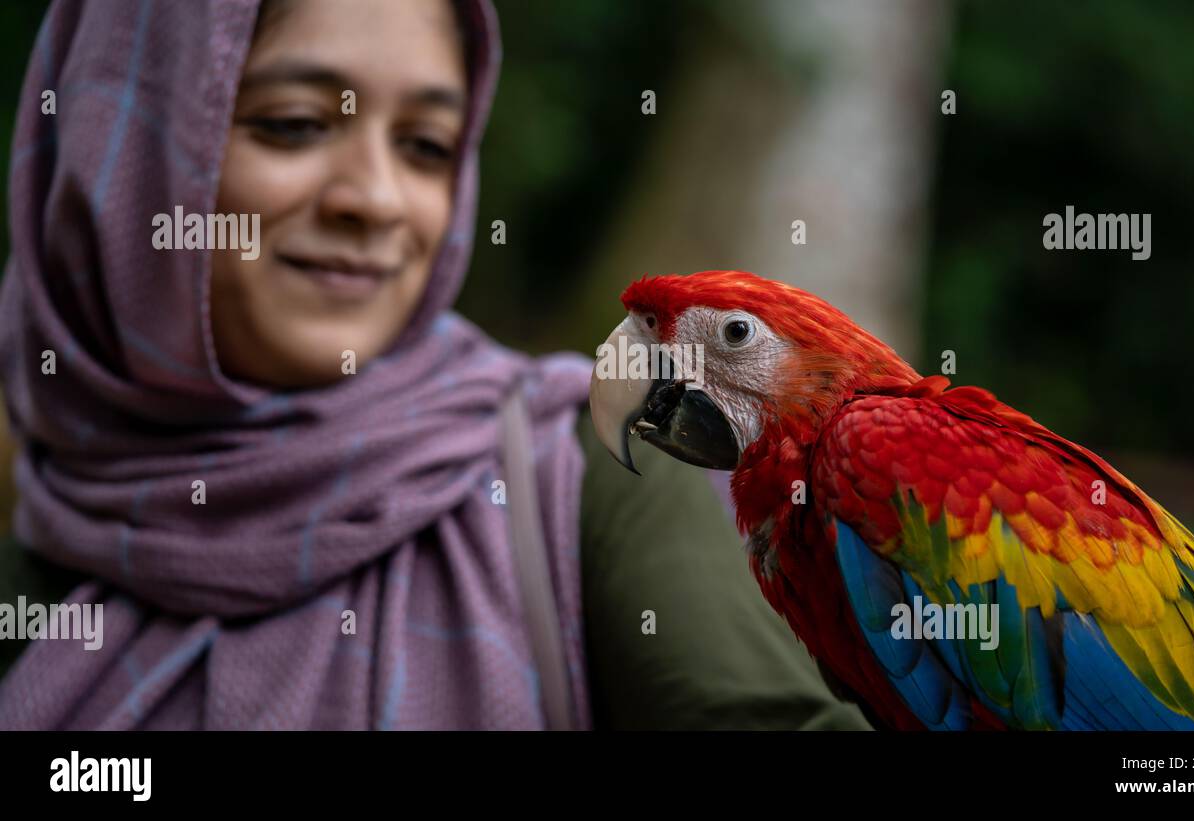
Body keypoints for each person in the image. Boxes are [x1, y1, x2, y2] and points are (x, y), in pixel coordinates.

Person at [0, 0, 868, 730]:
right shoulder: (48, 506)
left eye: (426, 145)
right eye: (294, 125)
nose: (375, 200)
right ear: (116, 142)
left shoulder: (583, 477)